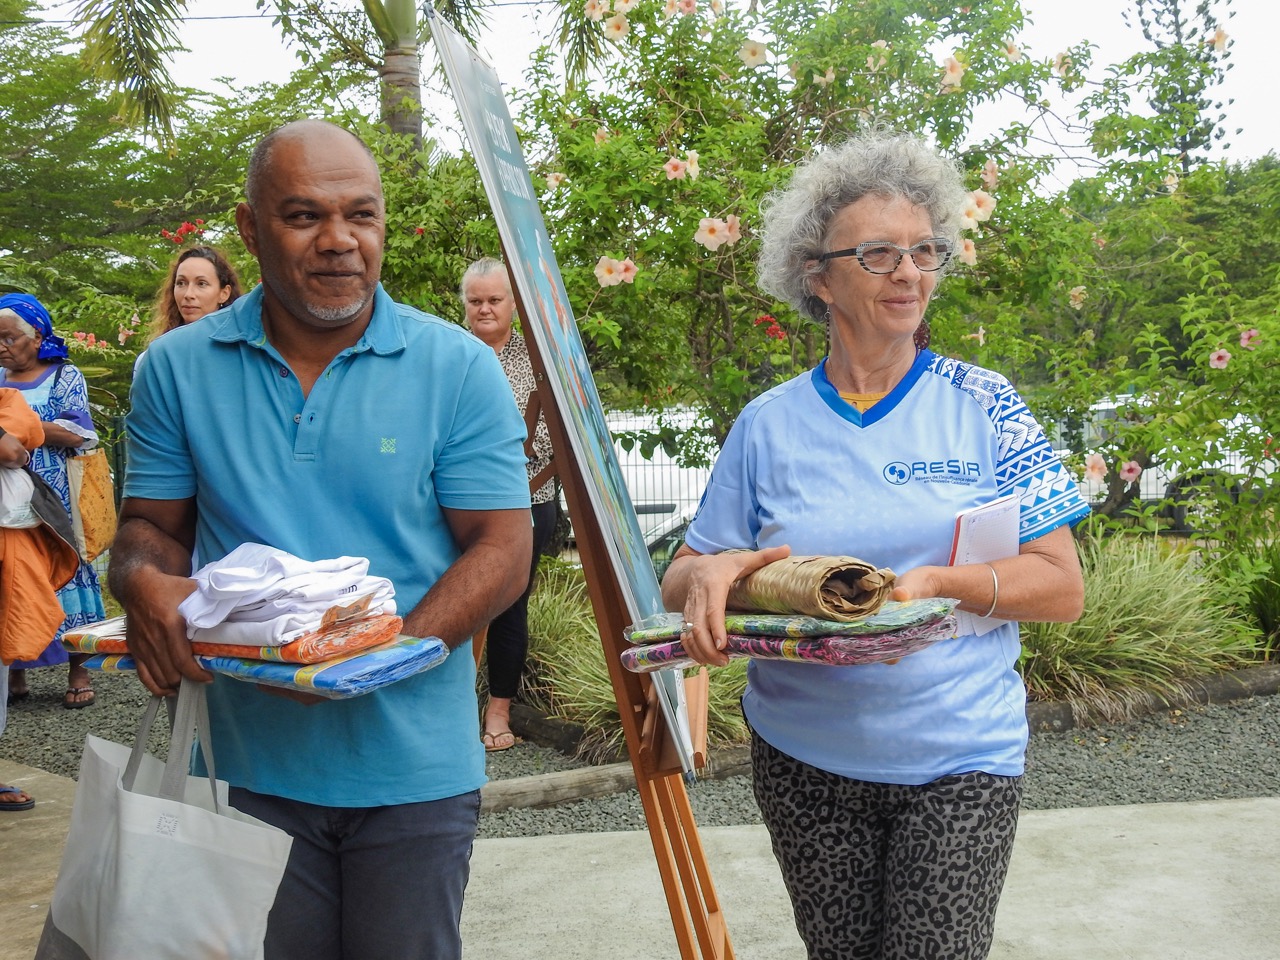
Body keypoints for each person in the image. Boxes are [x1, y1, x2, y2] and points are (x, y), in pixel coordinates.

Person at [660, 130, 1090, 960]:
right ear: (816, 276)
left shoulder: (986, 405)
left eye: (925, 251)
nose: (910, 272)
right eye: (880, 253)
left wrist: (938, 581)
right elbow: (683, 578)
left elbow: (1060, 586)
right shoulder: (767, 425)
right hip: (804, 764)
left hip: (960, 758)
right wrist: (710, 571)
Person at [109, 119, 533, 960]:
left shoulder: (457, 368)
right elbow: (148, 530)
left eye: (361, 216)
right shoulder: (177, 369)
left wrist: (389, 655)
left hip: (414, 769)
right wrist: (145, 588)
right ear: (249, 228)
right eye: (304, 215)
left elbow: (501, 548)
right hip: (240, 766)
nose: (339, 241)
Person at [461, 257, 558, 752]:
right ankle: (451, 710)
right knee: (456, 600)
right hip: (456, 506)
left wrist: (520, 494)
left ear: (513, 305)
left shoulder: (538, 362)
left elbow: (560, 445)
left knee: (508, 606)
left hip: (529, 503)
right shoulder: (449, 357)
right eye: (475, 301)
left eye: (493, 300)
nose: (484, 309)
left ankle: (498, 711)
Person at [0, 293, 107, 709]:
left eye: (10, 338)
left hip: (54, 495)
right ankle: (16, 668)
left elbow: (81, 433)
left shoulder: (64, 375)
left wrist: (24, 428)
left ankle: (78, 667)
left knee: (67, 566)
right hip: (8, 499)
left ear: (37, 336)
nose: (2, 347)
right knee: (14, 572)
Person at [147, 244, 243, 341]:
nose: (188, 294)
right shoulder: (160, 351)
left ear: (224, 293)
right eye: (181, 283)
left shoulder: (241, 350)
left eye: (201, 284)